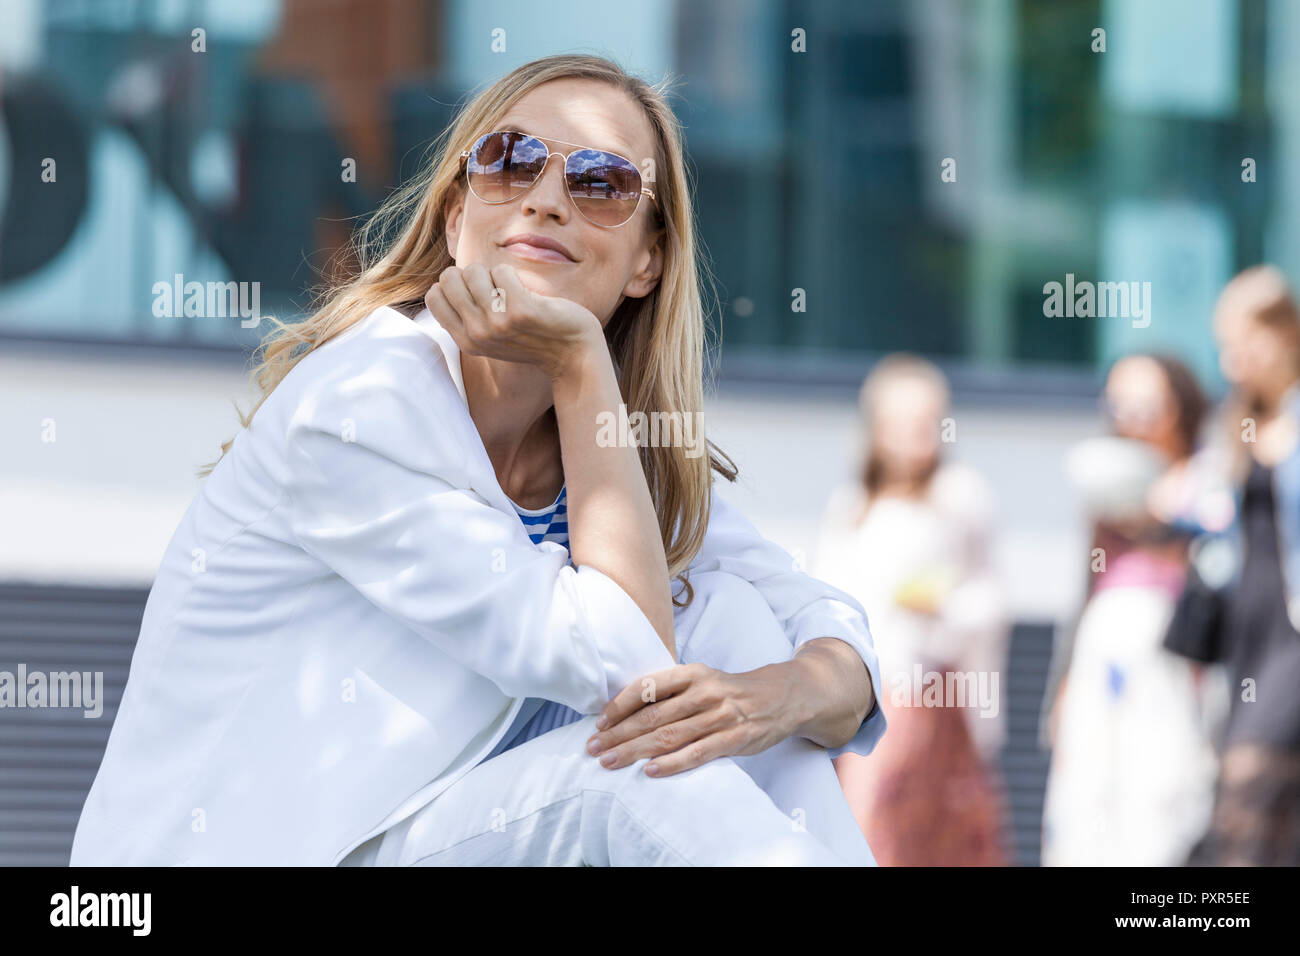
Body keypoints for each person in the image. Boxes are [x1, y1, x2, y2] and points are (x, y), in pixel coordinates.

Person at [70, 55, 886, 867]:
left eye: (600, 184)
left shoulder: (606, 455)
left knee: (732, 616)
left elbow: (812, 622)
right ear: (458, 218)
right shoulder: (362, 406)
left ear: (649, 261)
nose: (546, 198)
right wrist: (579, 364)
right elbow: (628, 665)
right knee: (632, 773)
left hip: (427, 831)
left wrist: (787, 695)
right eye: (508, 161)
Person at [813, 354, 1009, 865]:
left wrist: (940, 604)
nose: (919, 436)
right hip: (860, 692)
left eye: (929, 422)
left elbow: (989, 600)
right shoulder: (852, 504)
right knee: (865, 823)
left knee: (911, 828)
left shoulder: (959, 495)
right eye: (905, 423)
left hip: (926, 694)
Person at [1041, 353, 1219, 866]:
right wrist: (1065, 682)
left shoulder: (1206, 480)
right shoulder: (1106, 483)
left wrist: (1163, 518)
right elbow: (1086, 587)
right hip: (1103, 664)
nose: (1133, 418)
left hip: (1173, 665)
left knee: (1161, 793)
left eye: (1147, 404)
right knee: (1087, 796)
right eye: (1122, 405)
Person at [1167, 265, 1300, 866]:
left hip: (1294, 632)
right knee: (1278, 800)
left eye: (1241, 343)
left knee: (1247, 782)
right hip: (1246, 632)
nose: (1230, 362)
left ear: (1283, 336)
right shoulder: (1237, 427)